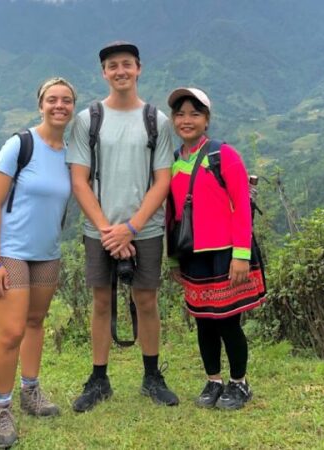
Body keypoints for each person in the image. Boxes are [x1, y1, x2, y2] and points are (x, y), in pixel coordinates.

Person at [67, 41, 178, 412]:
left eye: (126, 64)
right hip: (99, 228)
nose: (120, 71)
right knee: (101, 301)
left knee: (146, 299)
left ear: (139, 68)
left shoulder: (156, 121)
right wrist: (107, 230)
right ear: (104, 73)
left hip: (144, 228)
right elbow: (79, 180)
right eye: (113, 66)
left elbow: (162, 181)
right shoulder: (88, 119)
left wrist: (130, 227)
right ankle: (99, 379)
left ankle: (152, 377)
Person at [0, 77, 76, 447]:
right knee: (11, 332)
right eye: (52, 99)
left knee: (36, 322)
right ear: (40, 104)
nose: (59, 106)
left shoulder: (68, 152)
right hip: (10, 251)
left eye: (66, 100)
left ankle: (30, 391)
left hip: (46, 252)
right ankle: (1, 409)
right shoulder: (20, 145)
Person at [166, 87, 266, 410]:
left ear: (207, 120)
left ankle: (240, 382)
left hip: (225, 255)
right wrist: (173, 261)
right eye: (180, 114)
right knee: (203, 320)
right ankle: (213, 380)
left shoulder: (223, 155)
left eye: (194, 113)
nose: (186, 120)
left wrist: (241, 255)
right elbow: (172, 215)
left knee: (227, 321)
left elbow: (241, 208)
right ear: (173, 120)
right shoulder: (173, 163)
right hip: (193, 256)